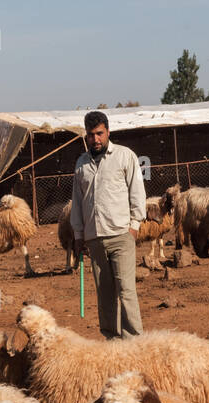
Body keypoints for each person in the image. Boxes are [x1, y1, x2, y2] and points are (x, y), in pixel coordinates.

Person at [70, 110, 147, 338]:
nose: (96, 139)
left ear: (108, 132)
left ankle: (134, 340)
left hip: (121, 235)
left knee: (126, 291)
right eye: (91, 135)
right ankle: (112, 340)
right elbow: (77, 202)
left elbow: (137, 193)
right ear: (86, 136)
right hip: (94, 239)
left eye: (100, 134)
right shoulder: (81, 164)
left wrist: (133, 227)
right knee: (104, 294)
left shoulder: (125, 156)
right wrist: (78, 235)